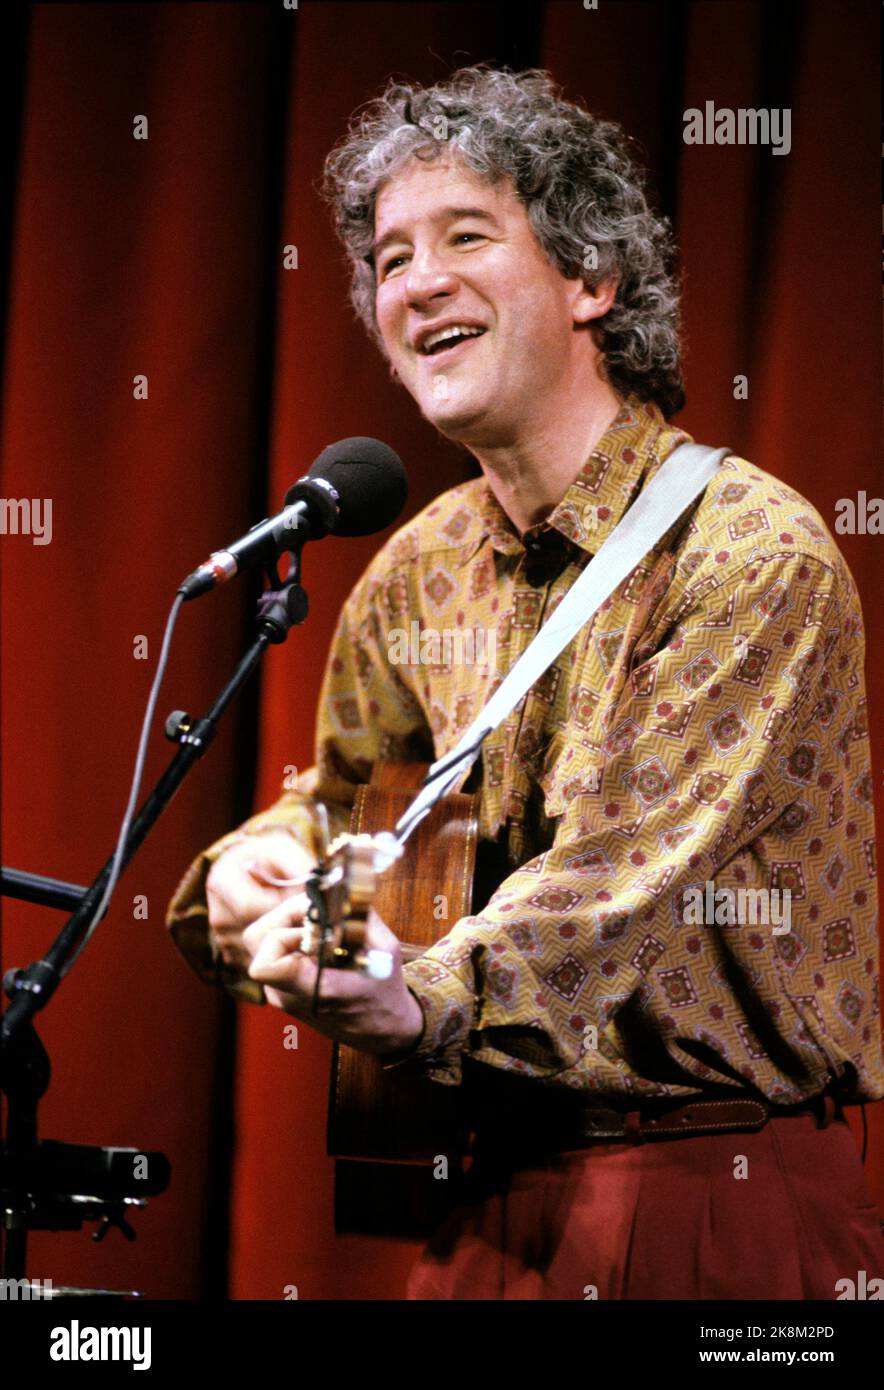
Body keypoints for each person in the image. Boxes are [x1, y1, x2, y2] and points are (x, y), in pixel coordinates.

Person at [166, 66, 884, 1300]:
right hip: (476, 1201)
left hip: (708, 1199)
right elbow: (360, 802)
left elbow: (625, 886)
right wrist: (254, 875)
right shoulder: (418, 565)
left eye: (463, 236)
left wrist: (414, 1000)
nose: (417, 281)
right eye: (391, 259)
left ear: (589, 281)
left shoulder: (749, 552)